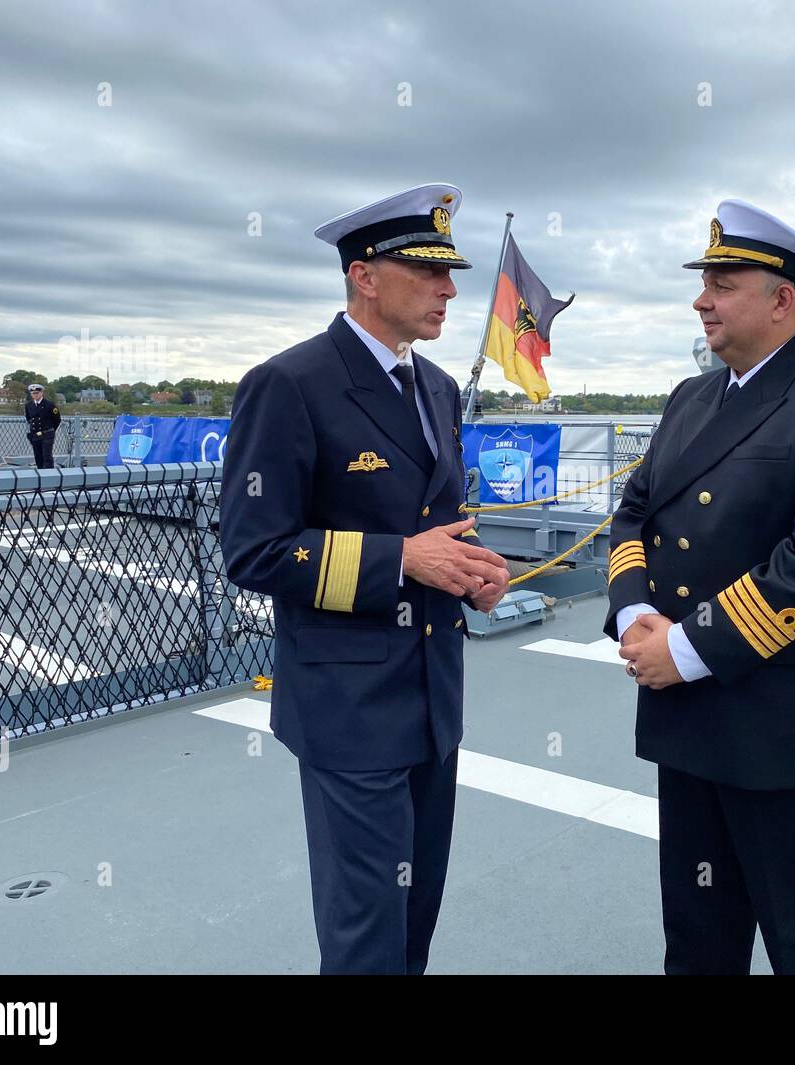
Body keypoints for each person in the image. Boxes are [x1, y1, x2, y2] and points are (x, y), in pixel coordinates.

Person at [605, 199, 795, 974]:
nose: (702, 298)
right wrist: (636, 613)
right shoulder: (690, 397)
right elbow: (634, 513)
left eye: (724, 281)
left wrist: (683, 645)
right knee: (697, 939)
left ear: (782, 300)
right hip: (690, 713)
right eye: (704, 280)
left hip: (787, 725)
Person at [220, 183, 510, 974]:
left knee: (414, 923)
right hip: (348, 712)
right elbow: (253, 548)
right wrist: (402, 560)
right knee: (365, 938)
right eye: (428, 269)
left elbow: (435, 519)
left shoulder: (439, 389)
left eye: (451, 271)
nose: (450, 288)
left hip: (431, 701)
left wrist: (472, 570)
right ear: (366, 276)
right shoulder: (290, 384)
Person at [24, 384, 60, 469]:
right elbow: (29, 418)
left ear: (41, 393)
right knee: (38, 457)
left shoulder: (50, 405)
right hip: (35, 435)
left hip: (47, 434)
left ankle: (48, 477)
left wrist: (50, 430)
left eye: (37, 393)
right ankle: (40, 475)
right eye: (33, 393)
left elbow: (57, 420)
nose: (35, 395)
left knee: (47, 457)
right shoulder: (28, 405)